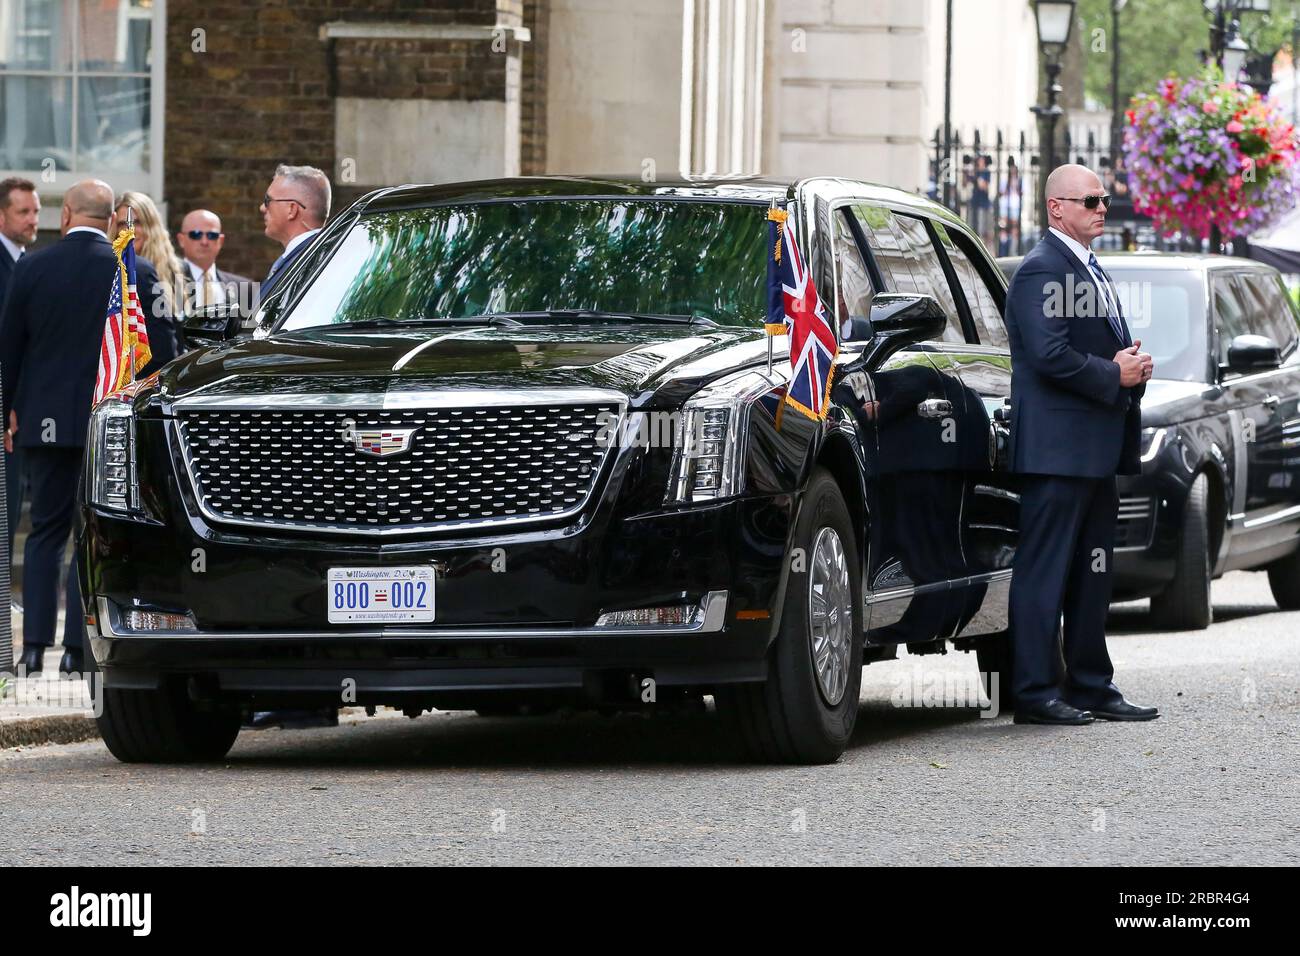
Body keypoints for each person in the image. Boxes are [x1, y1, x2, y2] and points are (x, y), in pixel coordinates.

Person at [1002, 163, 1159, 726]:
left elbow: (1087, 347)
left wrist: (1130, 364)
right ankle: (1035, 693)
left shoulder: (1088, 267)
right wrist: (1111, 374)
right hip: (1056, 451)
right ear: (1056, 208)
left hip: (1092, 447)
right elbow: (1048, 355)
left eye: (1104, 200)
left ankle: (1092, 684)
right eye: (1088, 200)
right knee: (1045, 572)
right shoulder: (1042, 269)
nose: (1100, 209)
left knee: (1093, 572)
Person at [0, 180, 177, 675]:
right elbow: (161, 358)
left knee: (44, 534)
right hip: (110, 425)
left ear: (67, 215)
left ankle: (33, 647)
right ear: (111, 219)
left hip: (44, 422)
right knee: (95, 536)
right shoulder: (135, 272)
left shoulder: (31, 266)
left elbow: (8, 347)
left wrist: (6, 410)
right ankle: (80, 652)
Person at [0, 177, 39, 562]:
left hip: (28, 413)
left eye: (36, 211)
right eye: (22, 212)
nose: (32, 220)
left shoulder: (29, 262)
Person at [260, 164, 331, 300]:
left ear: (292, 209)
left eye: (268, 200)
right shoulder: (323, 254)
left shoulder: (308, 262)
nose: (262, 208)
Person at [114, 191, 185, 324]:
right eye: (123, 224)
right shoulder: (109, 271)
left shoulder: (177, 271)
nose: (130, 230)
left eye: (138, 222)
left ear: (152, 225)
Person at [175, 208, 254, 319]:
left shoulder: (244, 288)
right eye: (196, 235)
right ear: (181, 240)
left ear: (220, 241)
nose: (204, 242)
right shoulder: (168, 282)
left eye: (212, 235)